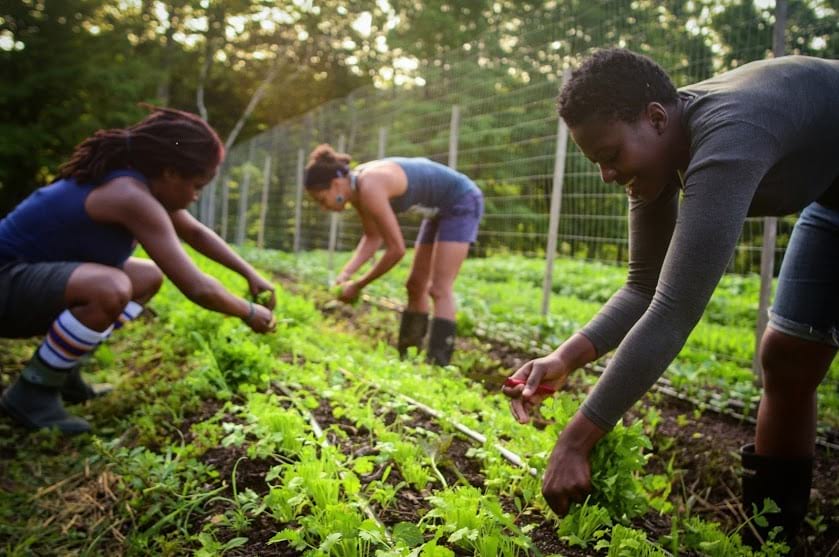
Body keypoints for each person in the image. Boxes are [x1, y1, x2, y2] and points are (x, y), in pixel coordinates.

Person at [502, 49, 839, 546]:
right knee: (787, 357)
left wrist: (575, 440)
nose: (607, 175)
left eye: (611, 156)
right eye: (597, 163)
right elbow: (643, 288)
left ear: (656, 119)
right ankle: (768, 544)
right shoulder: (656, 159)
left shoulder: (728, 136)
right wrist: (564, 359)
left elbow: (674, 310)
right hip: (831, 202)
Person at [0, 106, 277, 435]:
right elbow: (197, 287)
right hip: (6, 282)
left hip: (21, 281)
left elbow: (196, 233)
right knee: (110, 287)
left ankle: (62, 369)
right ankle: (32, 392)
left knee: (145, 278)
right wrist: (248, 311)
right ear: (170, 173)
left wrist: (250, 274)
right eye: (196, 185)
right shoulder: (129, 195)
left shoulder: (139, 183)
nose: (195, 196)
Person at [304, 145, 484, 366]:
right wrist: (346, 274)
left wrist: (358, 285)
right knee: (415, 286)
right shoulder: (357, 190)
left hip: (461, 201)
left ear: (336, 184)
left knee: (439, 288)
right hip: (437, 209)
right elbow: (372, 237)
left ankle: (438, 365)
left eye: (322, 199)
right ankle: (407, 358)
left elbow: (396, 250)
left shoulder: (370, 187)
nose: (324, 207)